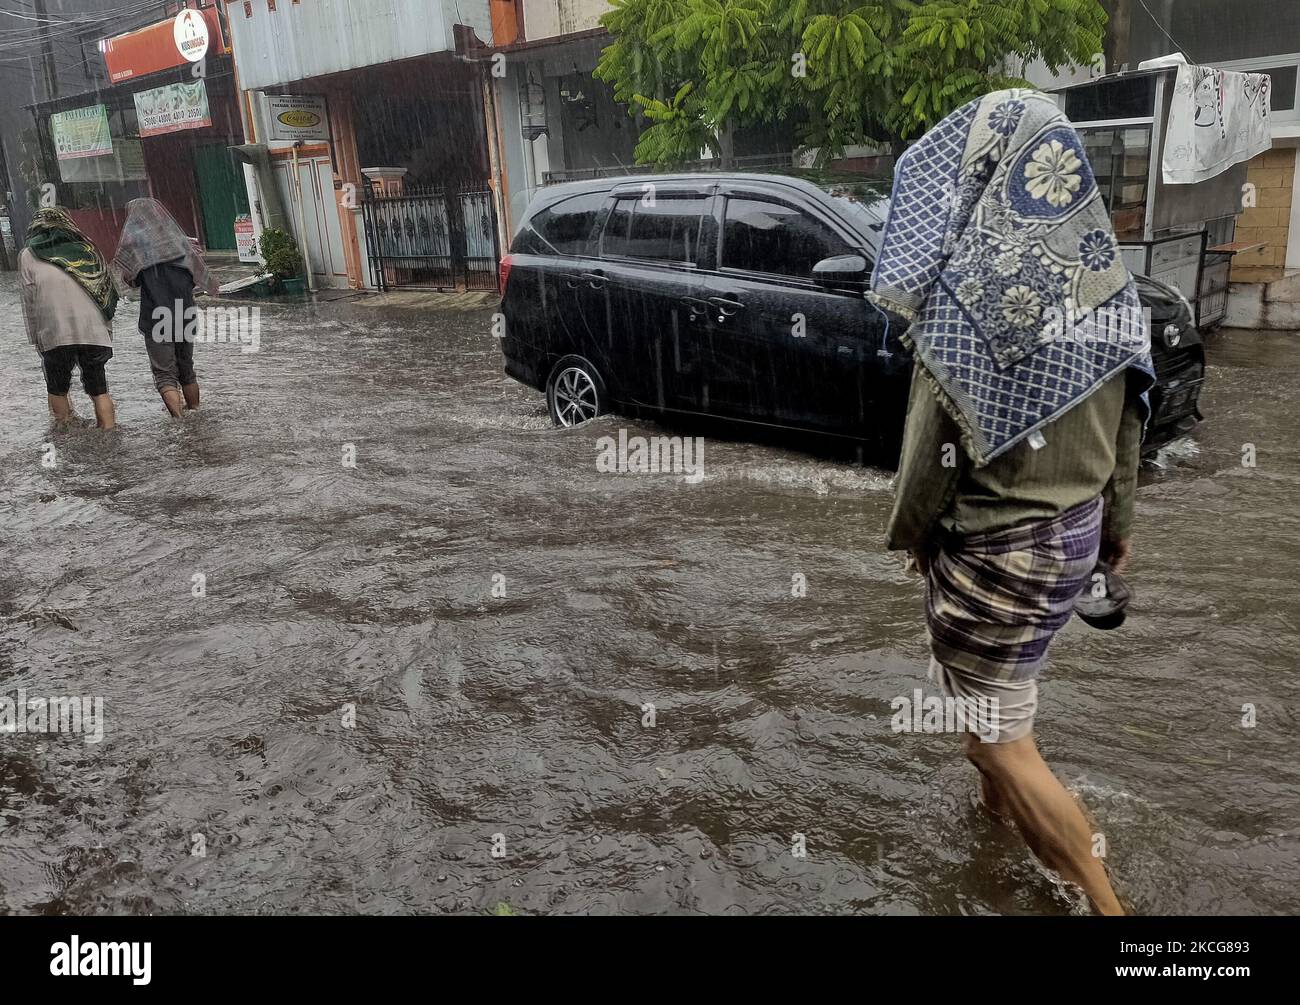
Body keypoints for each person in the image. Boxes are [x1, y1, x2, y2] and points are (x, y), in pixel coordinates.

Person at [870, 89, 1154, 916]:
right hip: (1074, 538)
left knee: (1003, 740)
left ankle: (1112, 910)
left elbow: (930, 451)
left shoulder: (970, 298)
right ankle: (994, 855)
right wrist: (1117, 534)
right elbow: (1134, 418)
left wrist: (910, 536)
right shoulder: (1107, 285)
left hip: (998, 551)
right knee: (989, 730)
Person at [111, 198, 218, 417]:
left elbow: (129, 281)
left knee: (164, 374)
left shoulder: (135, 247)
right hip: (185, 313)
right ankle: (195, 415)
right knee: (187, 369)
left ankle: (178, 422)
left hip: (156, 315)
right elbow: (200, 276)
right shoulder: (179, 241)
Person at [19, 208, 121, 429]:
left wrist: (36, 339)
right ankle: (110, 435)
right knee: (99, 390)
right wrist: (107, 331)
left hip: (55, 332)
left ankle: (65, 438)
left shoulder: (29, 255)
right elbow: (105, 292)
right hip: (94, 331)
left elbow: (30, 302)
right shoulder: (89, 250)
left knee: (57, 389)